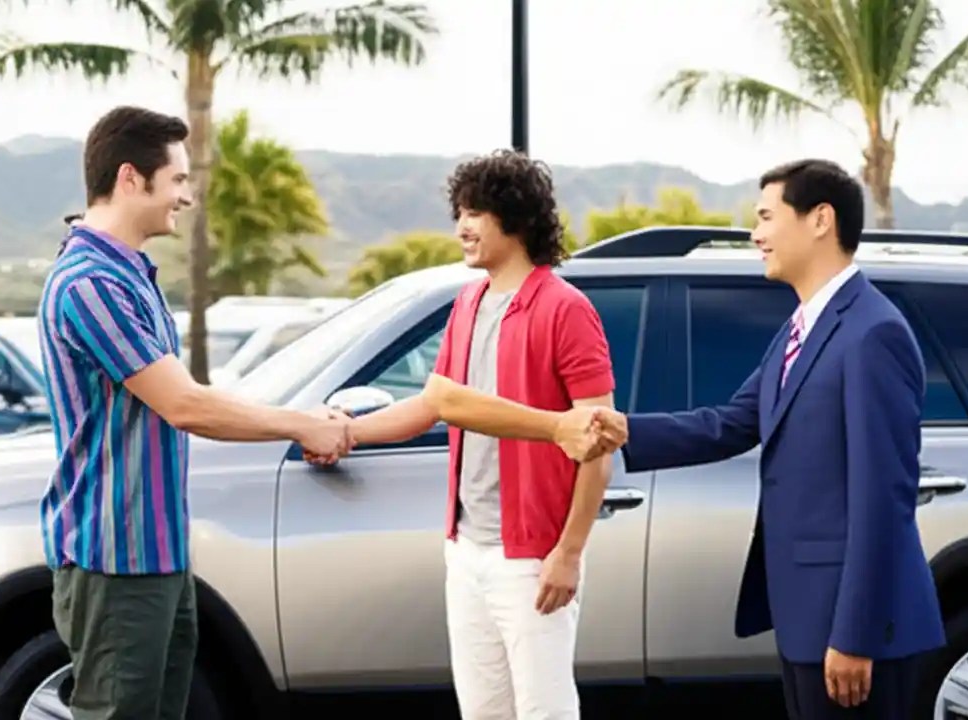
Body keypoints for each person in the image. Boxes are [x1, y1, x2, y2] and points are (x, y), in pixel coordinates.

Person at [36, 105, 353, 720]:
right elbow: (183, 404)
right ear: (131, 178)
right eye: (177, 179)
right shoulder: (89, 285)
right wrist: (301, 425)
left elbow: (183, 397)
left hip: (156, 556)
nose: (186, 196)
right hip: (115, 561)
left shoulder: (128, 276)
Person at [616, 159, 945, 719]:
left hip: (853, 630)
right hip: (807, 618)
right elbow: (732, 423)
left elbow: (883, 498)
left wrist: (856, 634)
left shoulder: (873, 332)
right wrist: (621, 430)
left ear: (820, 220)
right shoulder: (802, 326)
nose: (756, 234)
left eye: (766, 217)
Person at [312, 149, 621, 719]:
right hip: (467, 550)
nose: (462, 227)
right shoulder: (468, 303)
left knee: (545, 710)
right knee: (482, 711)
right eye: (459, 212)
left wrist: (569, 553)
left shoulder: (565, 309)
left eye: (475, 212)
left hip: (531, 557)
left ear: (515, 217)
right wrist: (346, 433)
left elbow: (596, 442)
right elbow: (432, 405)